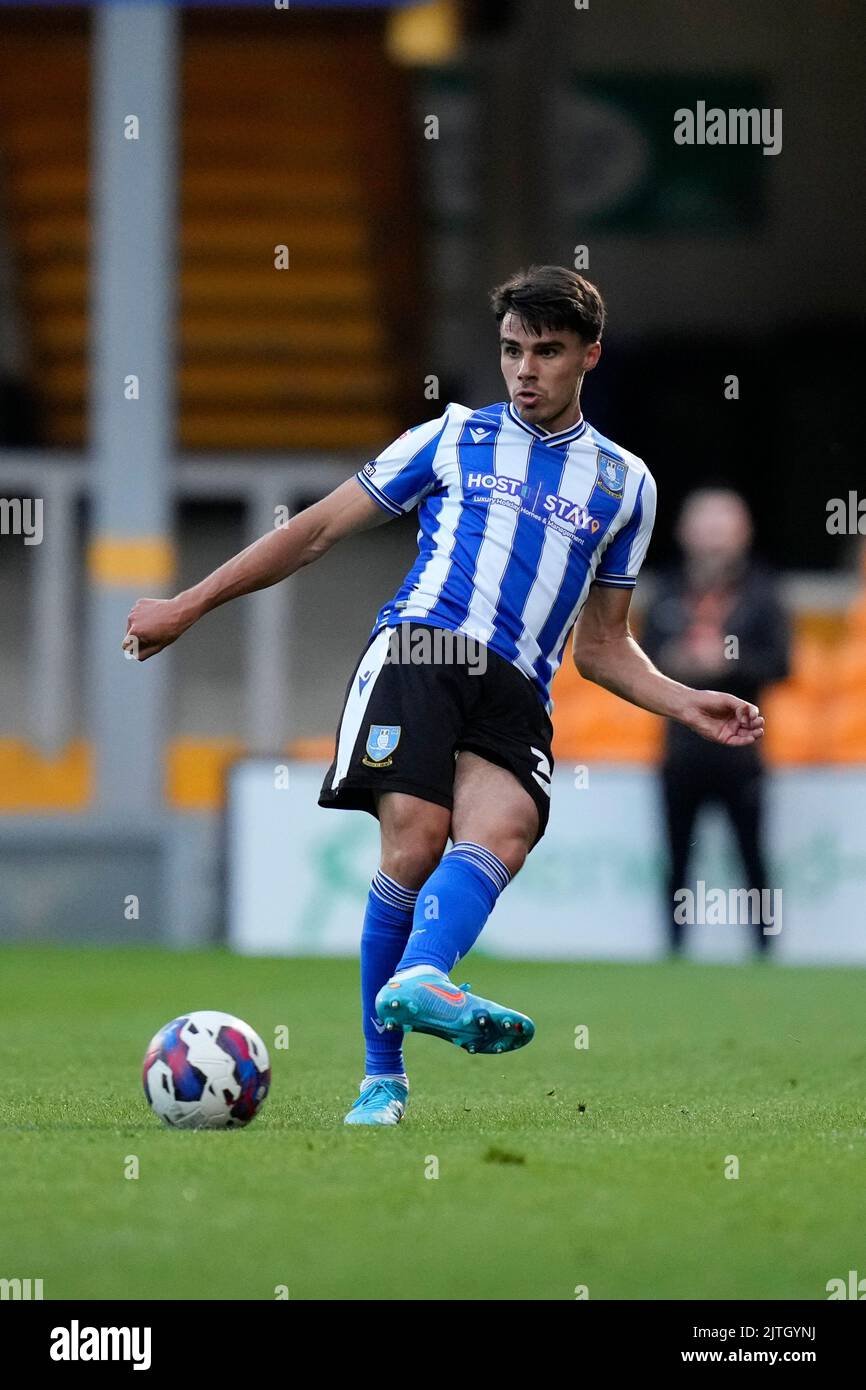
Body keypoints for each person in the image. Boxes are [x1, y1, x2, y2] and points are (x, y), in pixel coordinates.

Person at [123, 265, 764, 1126]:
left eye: (547, 351)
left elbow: (604, 647)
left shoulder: (626, 487)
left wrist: (686, 699)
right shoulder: (449, 437)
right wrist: (188, 605)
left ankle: (423, 977)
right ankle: (381, 1079)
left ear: (589, 357)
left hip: (520, 685)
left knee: (504, 834)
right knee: (416, 843)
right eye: (511, 350)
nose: (525, 369)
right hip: (422, 647)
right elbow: (312, 532)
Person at [640, 489, 790, 957]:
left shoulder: (764, 593)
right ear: (685, 533)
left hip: (743, 750)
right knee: (676, 857)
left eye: (722, 529)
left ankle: (766, 951)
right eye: (705, 528)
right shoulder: (666, 589)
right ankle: (675, 951)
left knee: (752, 856)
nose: (713, 541)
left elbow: (782, 663)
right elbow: (640, 661)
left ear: (744, 534)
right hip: (680, 750)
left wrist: (725, 664)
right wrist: (680, 662)